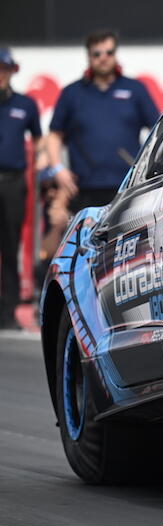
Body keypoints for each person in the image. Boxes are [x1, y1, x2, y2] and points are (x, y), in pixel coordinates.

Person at [45, 30, 160, 212]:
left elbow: (159, 130)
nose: (103, 58)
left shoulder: (135, 89)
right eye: (97, 54)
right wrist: (58, 169)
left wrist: (150, 168)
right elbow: (54, 135)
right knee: (86, 240)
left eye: (109, 52)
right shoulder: (72, 93)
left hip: (128, 187)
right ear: (89, 56)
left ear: (116, 54)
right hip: (84, 189)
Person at [0, 48, 41, 329]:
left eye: (3, 68)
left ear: (12, 71)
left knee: (10, 246)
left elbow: (38, 142)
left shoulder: (25, 105)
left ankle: (9, 310)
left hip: (13, 183)